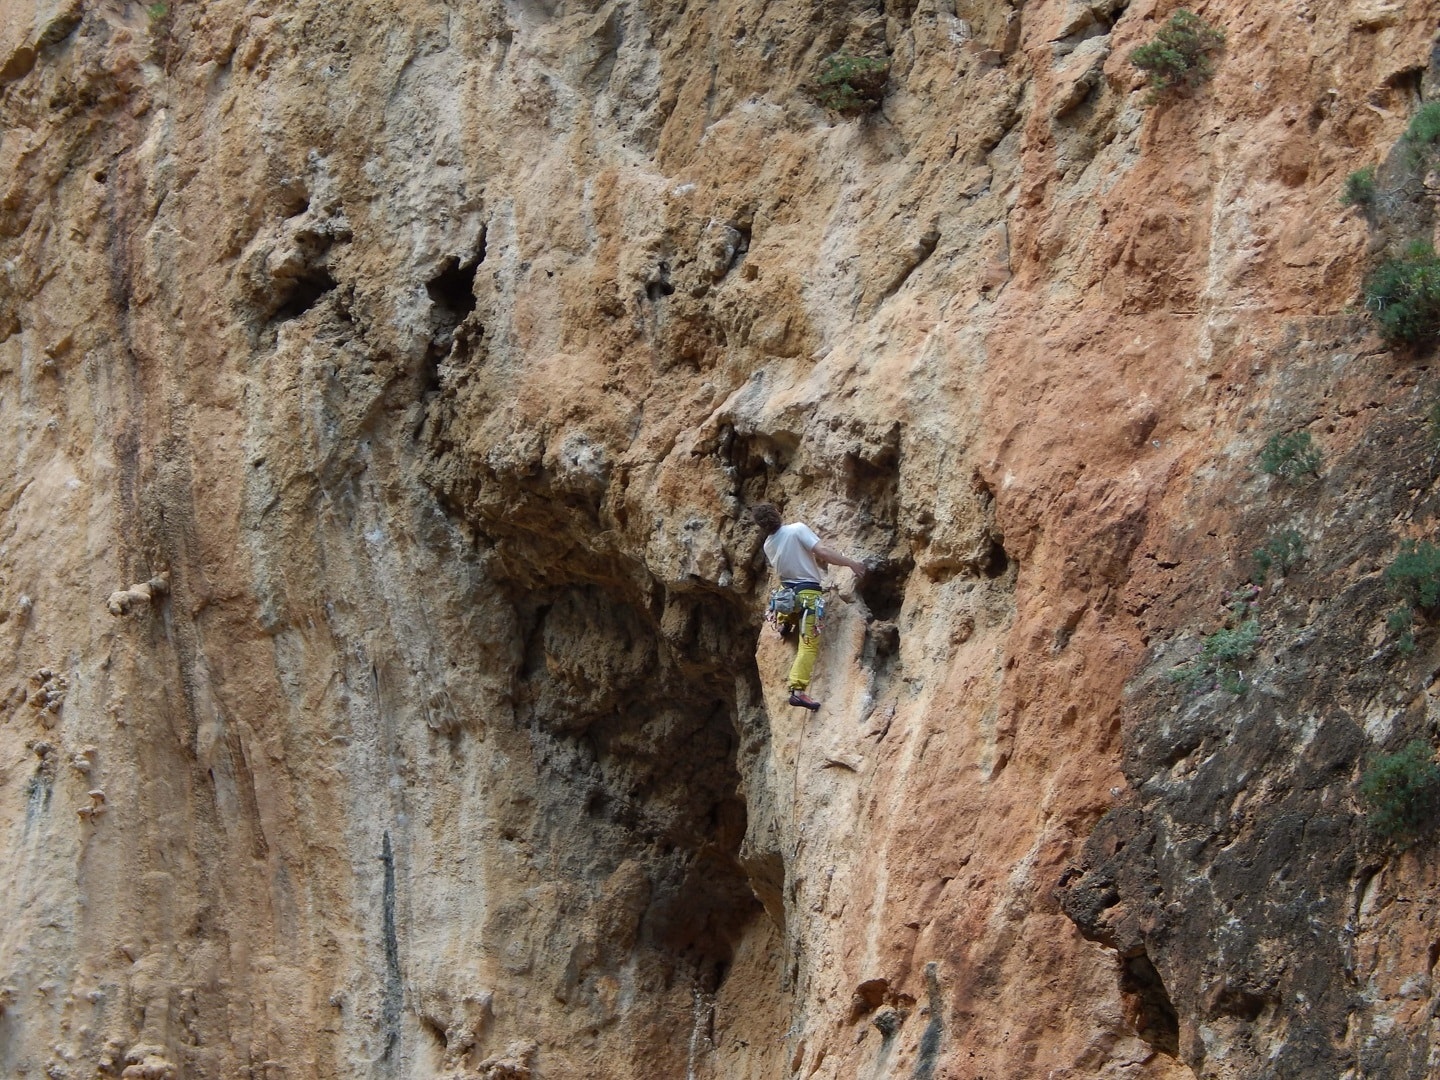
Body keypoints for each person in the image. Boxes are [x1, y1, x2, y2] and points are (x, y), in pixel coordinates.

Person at [750, 503, 867, 711]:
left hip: (787, 597)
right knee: (809, 645)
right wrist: (850, 563)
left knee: (787, 592)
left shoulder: (768, 545)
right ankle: (797, 691)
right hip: (808, 595)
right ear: (777, 512)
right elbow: (822, 552)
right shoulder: (797, 529)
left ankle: (785, 623)